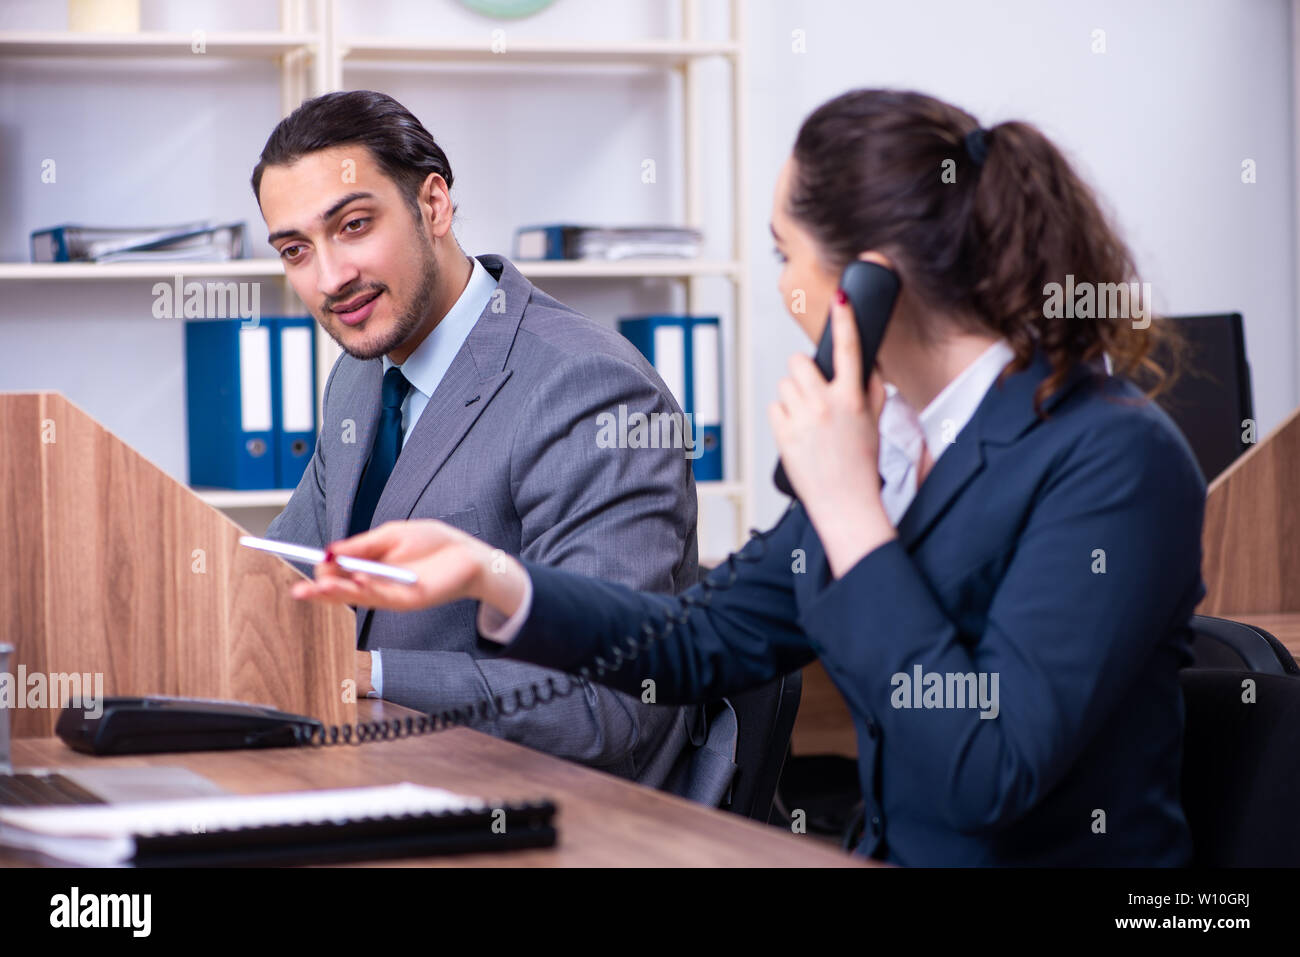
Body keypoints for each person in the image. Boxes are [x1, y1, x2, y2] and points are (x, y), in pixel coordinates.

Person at [291, 88, 1207, 866]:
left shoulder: (1113, 458)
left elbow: (987, 770)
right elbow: (700, 639)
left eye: (783, 255)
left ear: (867, 281)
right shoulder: (888, 439)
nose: (780, 288)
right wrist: (496, 575)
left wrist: (851, 512)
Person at [253, 90, 736, 805]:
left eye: (354, 226)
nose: (329, 278)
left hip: (559, 824)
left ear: (435, 205)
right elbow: (285, 585)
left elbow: (607, 709)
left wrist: (364, 674)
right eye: (296, 250)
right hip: (384, 790)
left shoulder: (586, 385)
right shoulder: (358, 378)